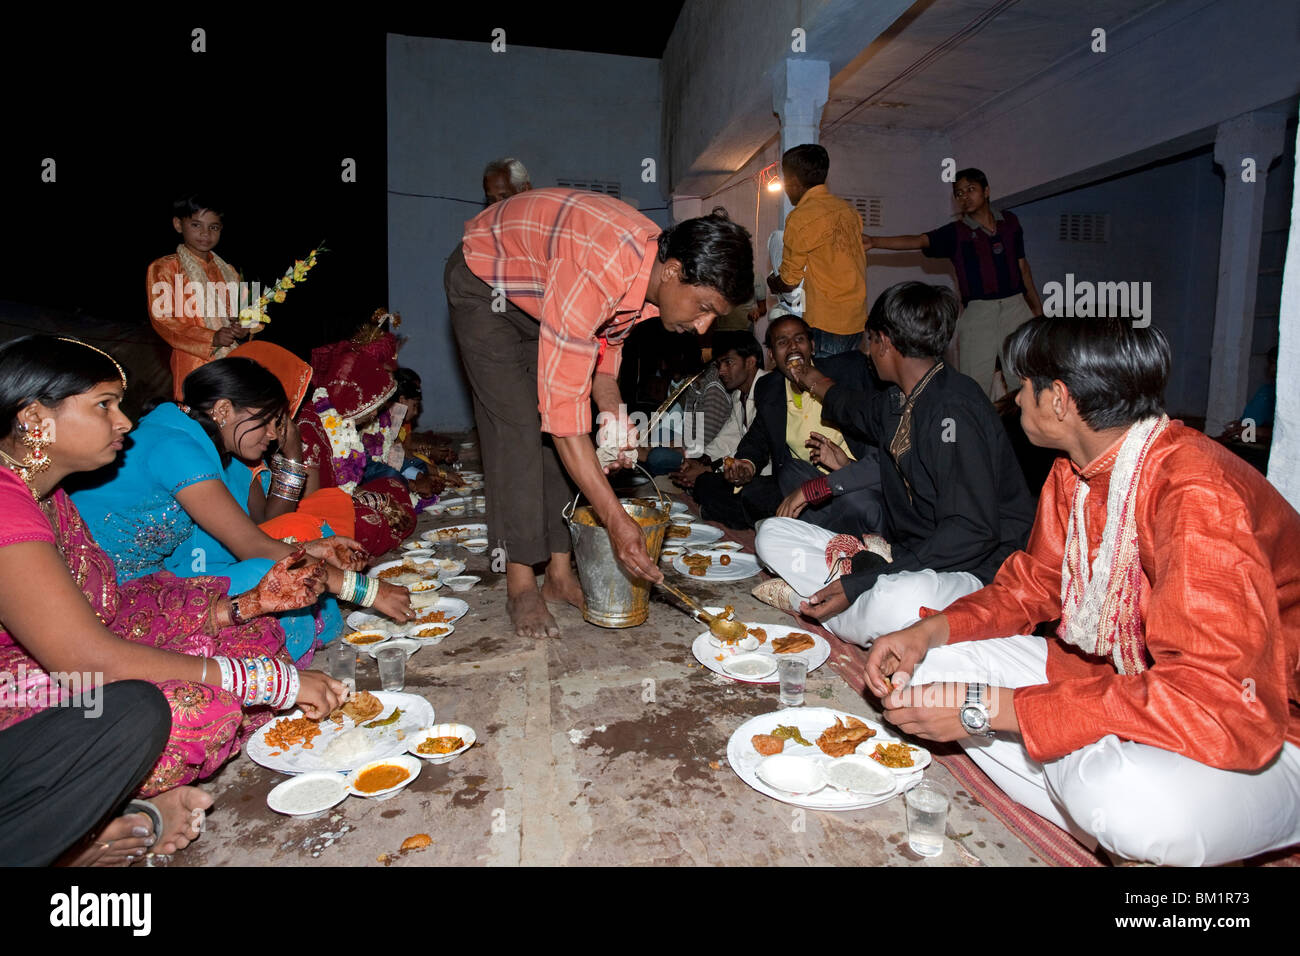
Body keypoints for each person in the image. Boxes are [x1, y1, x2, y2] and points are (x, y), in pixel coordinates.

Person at [863, 316, 1300, 866]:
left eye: (1023, 384)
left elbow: (1211, 702)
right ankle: (1097, 791)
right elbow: (1031, 588)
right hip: (1118, 678)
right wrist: (924, 631)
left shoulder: (1197, 494)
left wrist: (993, 710)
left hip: (1266, 728)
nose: (1014, 396)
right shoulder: (1075, 472)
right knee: (926, 677)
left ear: (1060, 400)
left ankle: (1116, 803)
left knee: (1116, 796)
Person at [0, 336, 348, 859]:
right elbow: (88, 658)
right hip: (25, 685)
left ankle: (111, 815)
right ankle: (83, 834)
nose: (123, 422)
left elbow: (115, 606)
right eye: (104, 405)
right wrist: (269, 679)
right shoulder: (9, 505)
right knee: (187, 711)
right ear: (34, 420)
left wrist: (243, 607)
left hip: (82, 654)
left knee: (252, 633)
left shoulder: (49, 497)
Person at [445, 189, 754, 637]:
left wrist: (612, 413)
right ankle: (519, 583)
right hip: (485, 282)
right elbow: (563, 415)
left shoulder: (648, 273)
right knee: (518, 427)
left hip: (541, 289)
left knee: (563, 434)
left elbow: (606, 343)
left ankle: (558, 572)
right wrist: (616, 520)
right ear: (673, 271)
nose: (704, 327)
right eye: (704, 308)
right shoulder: (599, 269)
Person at [69, 358, 412, 663]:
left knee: (296, 560)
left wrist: (313, 549)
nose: (271, 435)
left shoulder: (199, 442)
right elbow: (252, 545)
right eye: (264, 421)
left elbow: (244, 535)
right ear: (223, 410)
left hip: (160, 576)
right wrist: (367, 590)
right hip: (108, 595)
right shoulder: (176, 446)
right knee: (266, 575)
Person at [756, 282, 1035, 646]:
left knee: (892, 600)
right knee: (771, 533)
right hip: (904, 558)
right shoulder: (896, 401)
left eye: (869, 340)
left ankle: (813, 604)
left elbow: (972, 532)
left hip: (974, 571)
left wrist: (867, 580)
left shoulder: (954, 410)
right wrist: (807, 376)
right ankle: (853, 606)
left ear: (884, 342)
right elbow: (848, 404)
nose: (865, 351)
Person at [864, 168, 1043, 398]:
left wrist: (1035, 306)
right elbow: (919, 240)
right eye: (959, 194)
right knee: (975, 382)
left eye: (971, 190)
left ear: (986, 191)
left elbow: (1022, 266)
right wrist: (875, 241)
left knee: (1024, 377)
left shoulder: (1010, 222)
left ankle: (1024, 431)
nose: (964, 197)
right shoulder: (956, 233)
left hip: (1016, 306)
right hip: (979, 311)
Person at [718, 315, 884, 534]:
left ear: (812, 346)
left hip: (853, 478)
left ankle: (825, 532)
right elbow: (758, 435)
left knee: (858, 505)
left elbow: (874, 425)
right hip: (803, 481)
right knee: (772, 482)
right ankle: (835, 532)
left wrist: (819, 385)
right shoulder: (770, 387)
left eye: (800, 339)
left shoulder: (847, 370)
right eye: (782, 342)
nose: (793, 346)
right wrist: (746, 464)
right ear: (772, 356)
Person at [299, 314, 427, 557]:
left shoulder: (344, 422)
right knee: (370, 521)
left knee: (393, 486)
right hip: (323, 514)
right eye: (372, 408)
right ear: (355, 399)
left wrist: (373, 497)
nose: (373, 416)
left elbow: (357, 478)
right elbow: (315, 503)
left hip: (345, 498)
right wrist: (373, 501)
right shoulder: (310, 426)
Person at [147, 194, 259, 399]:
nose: (205, 234)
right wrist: (211, 337)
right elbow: (163, 320)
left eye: (213, 227)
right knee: (198, 418)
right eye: (196, 225)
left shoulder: (229, 271)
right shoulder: (165, 268)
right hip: (192, 362)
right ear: (178, 225)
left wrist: (245, 328)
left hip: (233, 360)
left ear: (221, 230)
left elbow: (249, 312)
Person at [765, 144, 867, 358]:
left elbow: (790, 280)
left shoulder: (801, 217)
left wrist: (774, 282)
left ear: (792, 181)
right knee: (843, 387)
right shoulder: (849, 212)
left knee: (819, 388)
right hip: (856, 320)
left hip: (825, 322)